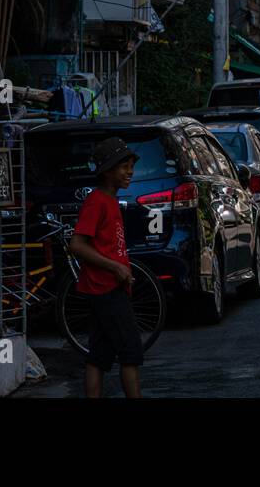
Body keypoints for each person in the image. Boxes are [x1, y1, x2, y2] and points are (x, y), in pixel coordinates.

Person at [71, 137, 143, 398]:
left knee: (99, 356)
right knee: (131, 353)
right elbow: (77, 244)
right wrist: (115, 267)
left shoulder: (109, 200)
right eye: (124, 167)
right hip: (105, 289)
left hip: (109, 287)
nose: (130, 172)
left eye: (130, 166)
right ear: (107, 170)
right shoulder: (97, 201)